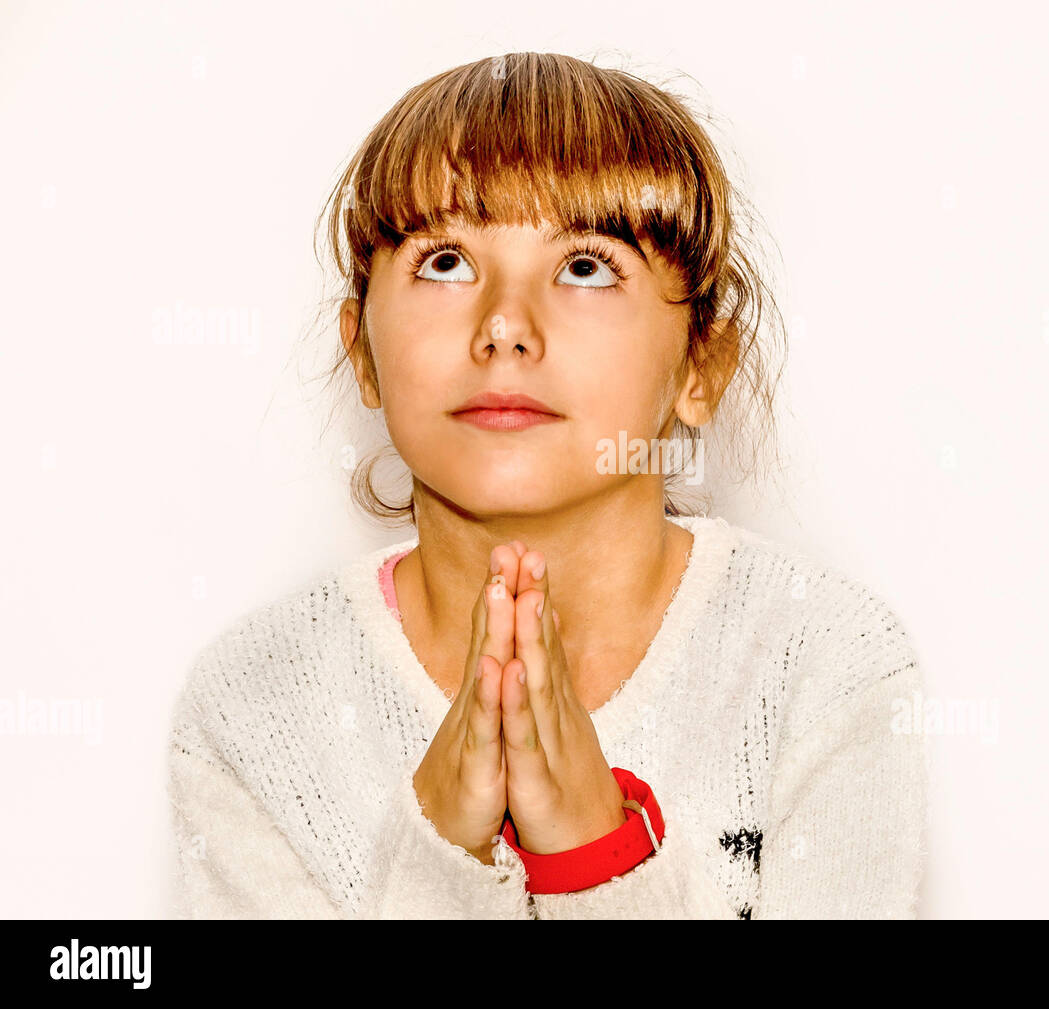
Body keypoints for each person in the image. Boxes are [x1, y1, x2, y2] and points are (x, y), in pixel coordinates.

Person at [165, 51, 928, 919]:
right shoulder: (252, 710)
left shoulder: (824, 665)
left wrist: (593, 856)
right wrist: (439, 856)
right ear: (362, 351)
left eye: (587, 266)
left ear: (702, 362)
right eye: (446, 261)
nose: (504, 327)